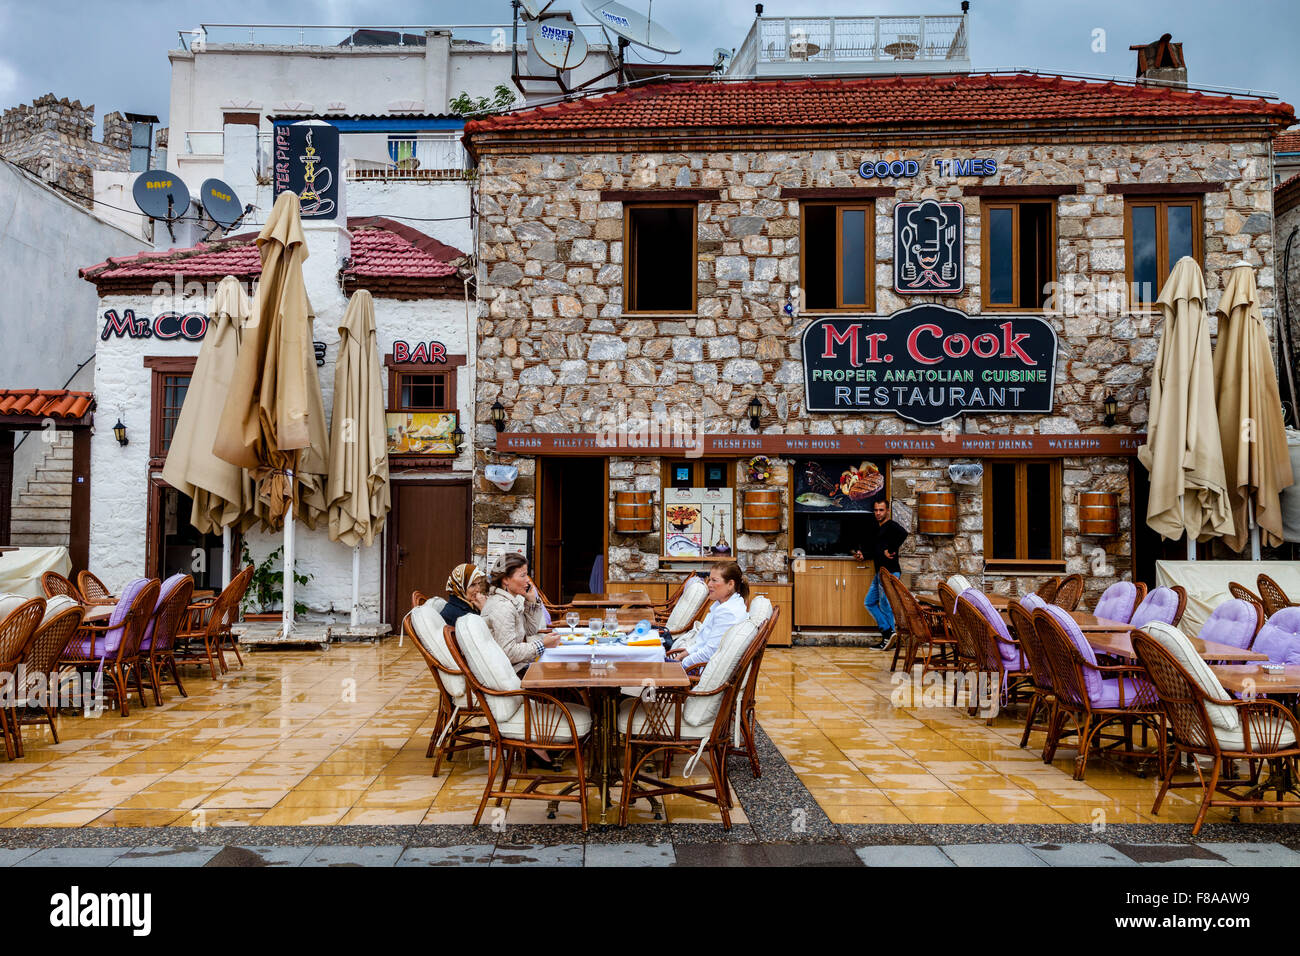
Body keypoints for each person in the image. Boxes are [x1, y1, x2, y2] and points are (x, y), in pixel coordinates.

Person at [481, 553, 557, 672]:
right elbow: (509, 652)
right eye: (522, 575)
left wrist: (531, 600)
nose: (528, 580)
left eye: (527, 574)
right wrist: (542, 644)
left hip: (515, 667)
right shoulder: (502, 607)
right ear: (506, 579)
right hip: (510, 672)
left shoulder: (510, 601)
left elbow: (530, 631)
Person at [666, 561, 749, 669]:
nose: (709, 584)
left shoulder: (728, 613)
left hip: (701, 670)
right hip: (700, 664)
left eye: (714, 580)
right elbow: (705, 642)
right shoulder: (725, 605)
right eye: (709, 579)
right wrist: (685, 653)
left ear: (730, 584)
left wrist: (681, 665)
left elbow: (709, 653)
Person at [854, 497, 909, 651]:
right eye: (876, 510)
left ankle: (889, 639)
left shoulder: (891, 526)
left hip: (889, 572)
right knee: (869, 602)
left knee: (885, 605)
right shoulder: (878, 529)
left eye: (881, 510)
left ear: (887, 511)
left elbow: (904, 534)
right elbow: (877, 552)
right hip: (880, 573)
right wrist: (864, 554)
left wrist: (891, 549)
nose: (878, 513)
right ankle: (889, 633)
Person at [442, 563, 487, 628]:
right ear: (460, 587)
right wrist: (484, 610)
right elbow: (481, 634)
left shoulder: (469, 605)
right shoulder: (455, 613)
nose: (478, 589)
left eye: (479, 583)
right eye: (472, 585)